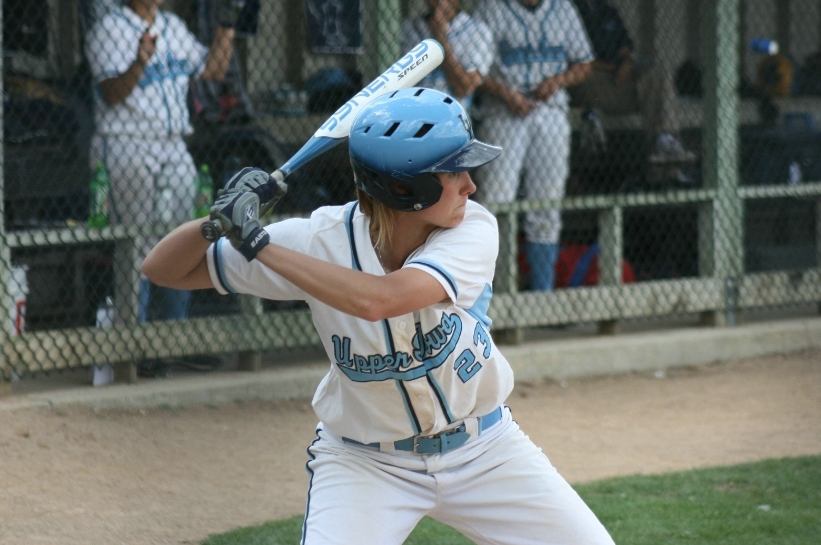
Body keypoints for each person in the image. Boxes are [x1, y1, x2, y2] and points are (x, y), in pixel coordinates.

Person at [141, 88, 615, 545]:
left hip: (485, 451)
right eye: (454, 172)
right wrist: (216, 222)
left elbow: (379, 300)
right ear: (407, 188)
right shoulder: (319, 240)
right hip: (366, 464)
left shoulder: (472, 227)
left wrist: (259, 244)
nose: (471, 185)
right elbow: (162, 269)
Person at [84, 0, 243, 326]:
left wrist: (227, 26)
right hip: (126, 142)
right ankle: (132, 333)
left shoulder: (173, 26)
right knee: (136, 245)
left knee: (185, 240)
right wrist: (139, 62)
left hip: (173, 145)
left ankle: (175, 331)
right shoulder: (108, 28)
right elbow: (112, 92)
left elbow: (213, 70)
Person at [473, 0, 594, 291]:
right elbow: (472, 69)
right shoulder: (491, 8)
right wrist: (507, 94)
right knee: (494, 203)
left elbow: (585, 63)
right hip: (503, 113)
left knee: (547, 205)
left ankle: (543, 293)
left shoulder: (562, 8)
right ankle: (491, 291)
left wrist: (558, 81)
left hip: (550, 111)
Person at [569, 0, 696, 164]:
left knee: (656, 70)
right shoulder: (568, 8)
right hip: (588, 79)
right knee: (584, 73)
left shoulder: (607, 10)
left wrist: (626, 63)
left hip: (615, 81)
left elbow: (625, 48)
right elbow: (574, 60)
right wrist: (612, 67)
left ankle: (665, 140)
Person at [401, 0, 494, 111]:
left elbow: (463, 88)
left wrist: (441, 38)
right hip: (412, 114)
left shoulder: (477, 31)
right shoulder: (408, 28)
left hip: (451, 117)